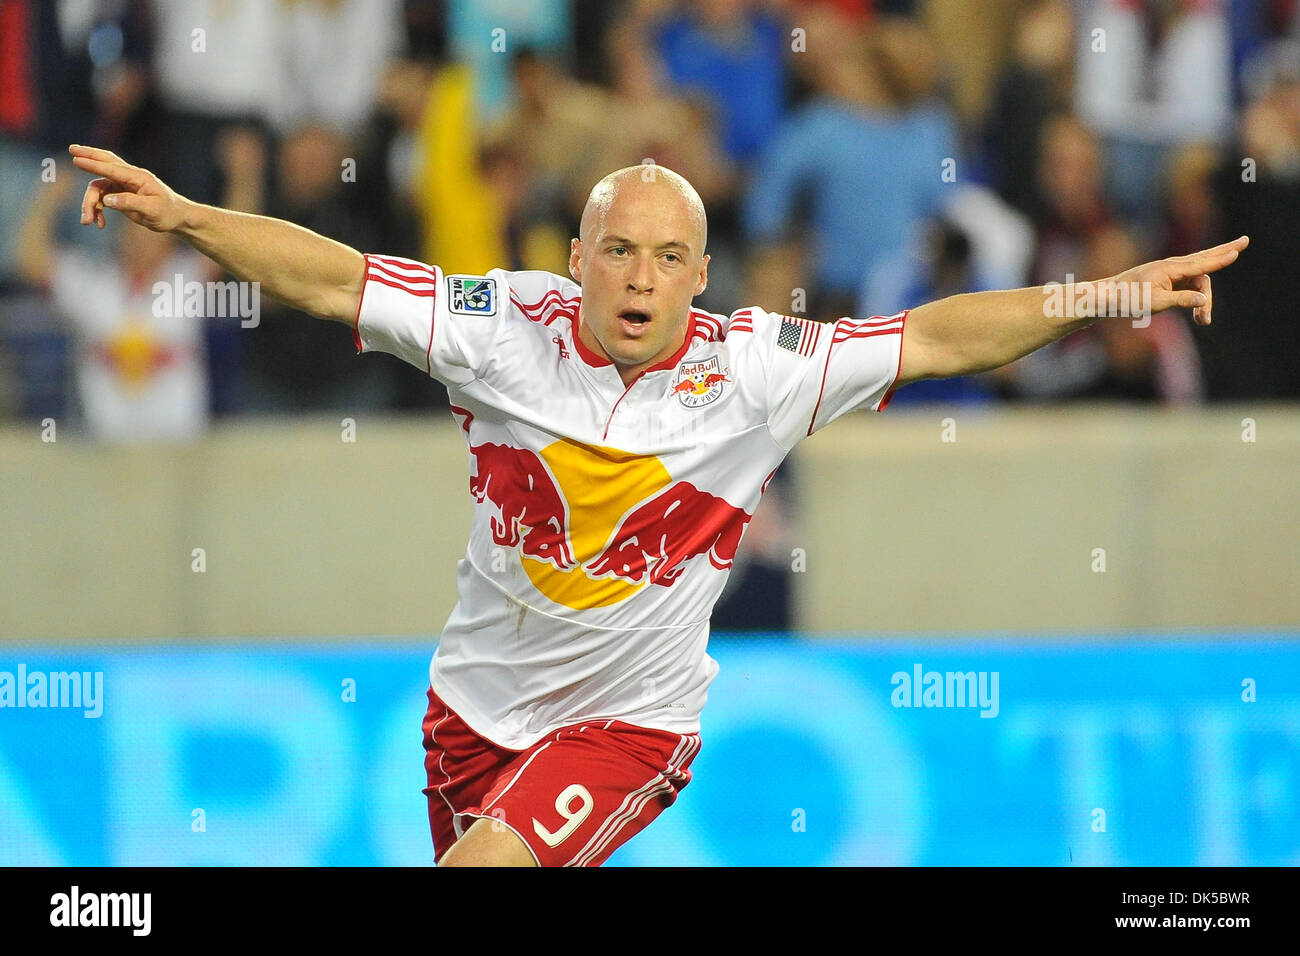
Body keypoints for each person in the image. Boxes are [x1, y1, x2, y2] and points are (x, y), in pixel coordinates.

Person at [67, 143, 1248, 866]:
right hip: (469, 711)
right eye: (618, 251)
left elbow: (939, 334)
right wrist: (184, 216)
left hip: (632, 720)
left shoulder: (759, 369)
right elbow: (330, 275)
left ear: (700, 271)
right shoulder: (496, 329)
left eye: (667, 257)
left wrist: (1106, 291)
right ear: (573, 256)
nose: (640, 279)